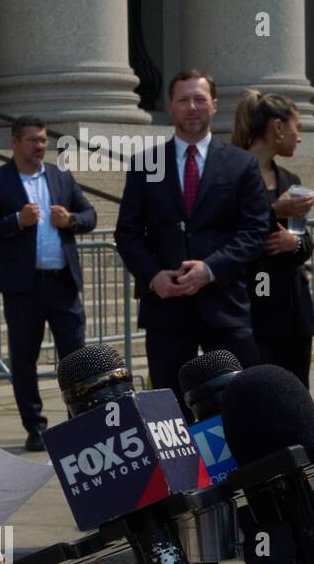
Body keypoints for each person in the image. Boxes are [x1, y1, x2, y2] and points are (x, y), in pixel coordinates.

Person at [115, 70, 270, 411]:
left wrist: (210, 269)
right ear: (170, 106)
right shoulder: (146, 164)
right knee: (171, 410)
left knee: (243, 403)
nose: (192, 107)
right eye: (183, 99)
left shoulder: (241, 165)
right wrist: (153, 276)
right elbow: (127, 233)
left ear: (214, 105)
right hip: (166, 311)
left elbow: (254, 231)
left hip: (225, 307)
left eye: (200, 99)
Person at [0, 116, 95, 450]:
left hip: (63, 283)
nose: (40, 146)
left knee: (75, 355)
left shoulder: (60, 177)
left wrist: (70, 220)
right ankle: (35, 426)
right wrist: (16, 221)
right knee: (24, 358)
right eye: (33, 140)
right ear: (15, 142)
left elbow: (91, 216)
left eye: (43, 140)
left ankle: (80, 420)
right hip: (22, 287)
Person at [232, 90, 314, 387]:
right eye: (298, 128)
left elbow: (303, 240)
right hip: (253, 308)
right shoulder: (231, 173)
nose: (300, 137)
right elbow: (226, 230)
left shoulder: (291, 180)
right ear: (278, 128)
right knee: (259, 395)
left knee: (297, 395)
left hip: (293, 311)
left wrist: (296, 244)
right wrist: (273, 210)